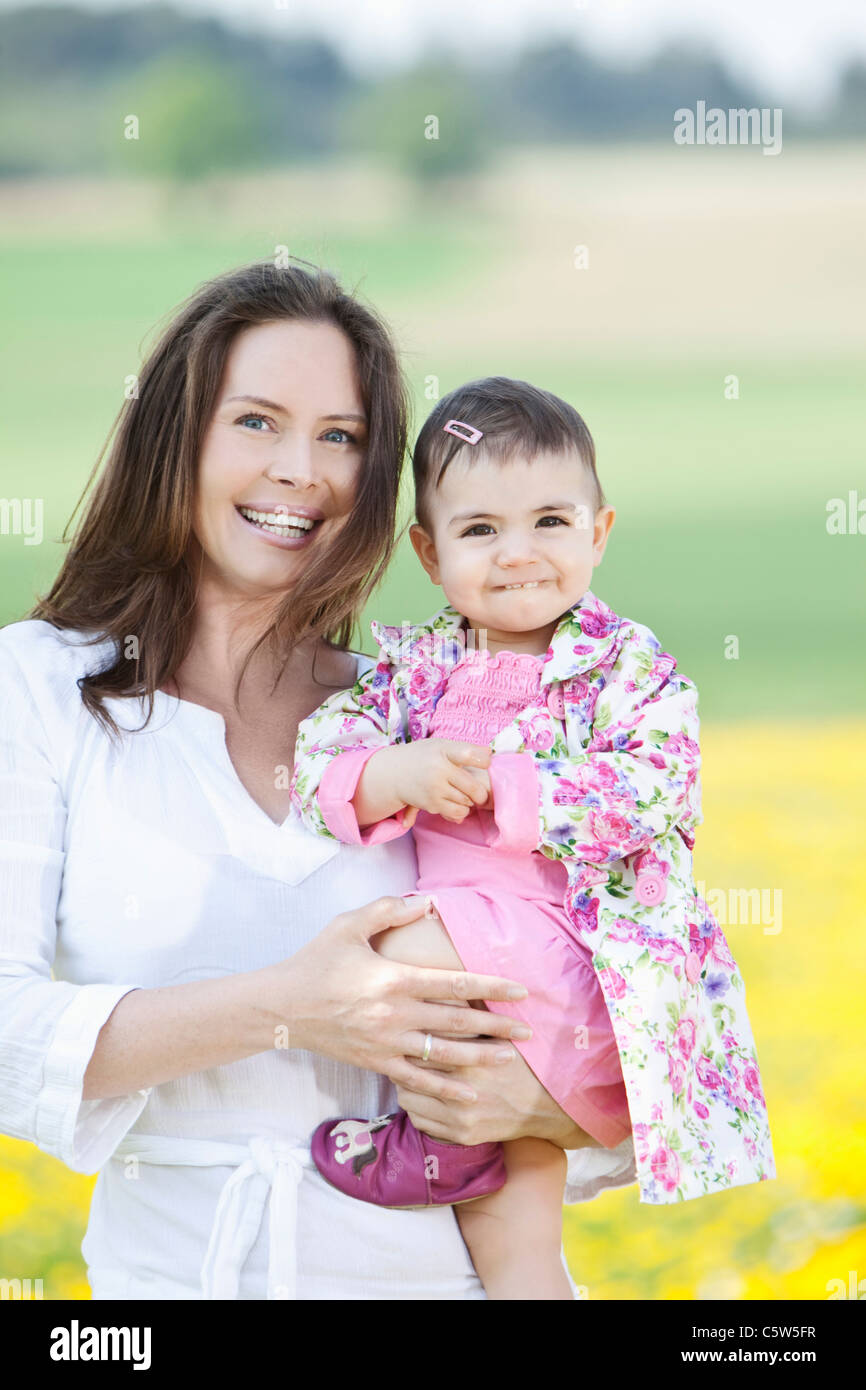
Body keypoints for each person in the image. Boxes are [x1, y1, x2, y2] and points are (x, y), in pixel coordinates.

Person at [0, 262, 637, 1302]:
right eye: (256, 421)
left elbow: (629, 991)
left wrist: (538, 1108)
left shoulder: (429, 711)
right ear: (174, 437)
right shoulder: (38, 688)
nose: (300, 470)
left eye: (341, 437)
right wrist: (289, 1009)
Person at [290, 376, 777, 1300]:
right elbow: (320, 752)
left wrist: (520, 788)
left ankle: (435, 1138)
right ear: (430, 552)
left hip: (574, 949)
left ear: (599, 532)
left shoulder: (625, 665)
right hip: (490, 984)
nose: (518, 553)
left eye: (551, 521)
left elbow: (658, 783)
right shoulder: (415, 668)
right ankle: (464, 1168)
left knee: (400, 941)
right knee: (513, 1231)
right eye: (480, 530)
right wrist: (391, 772)